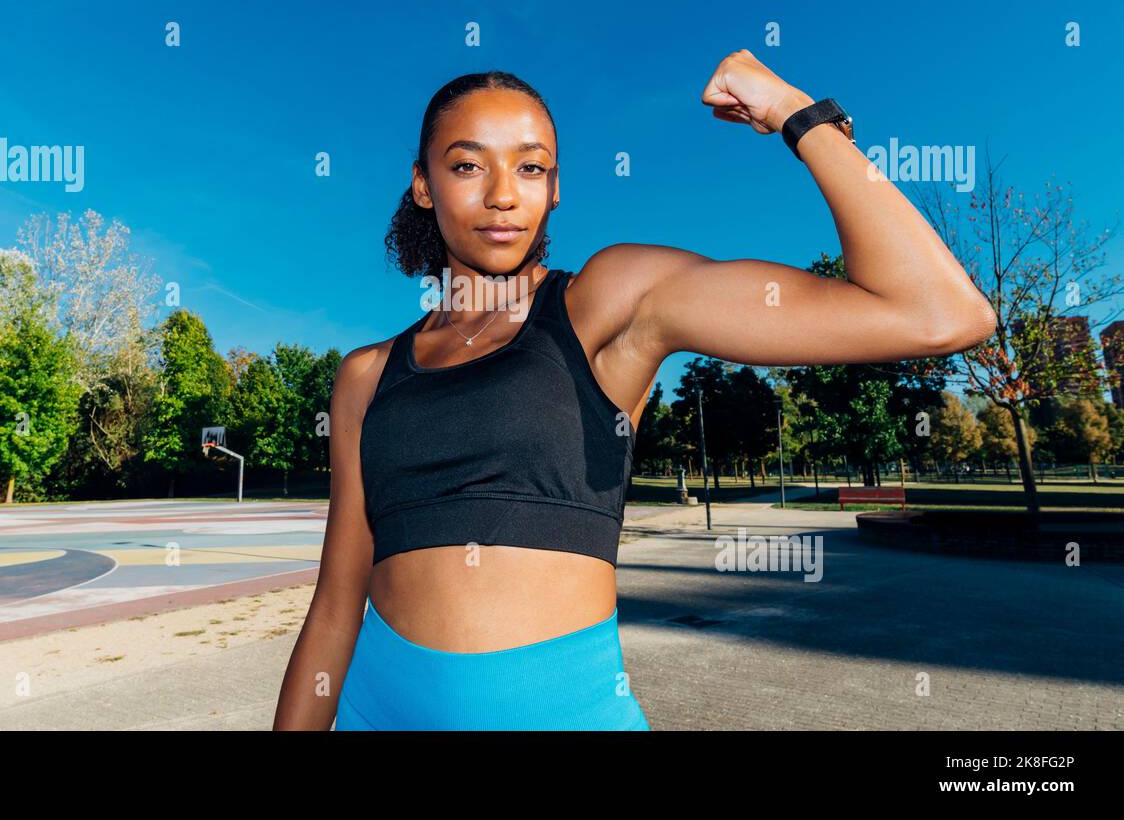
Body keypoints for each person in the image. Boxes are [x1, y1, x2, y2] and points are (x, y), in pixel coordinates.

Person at [272, 51, 997, 730]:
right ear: (425, 183)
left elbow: (940, 314)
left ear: (555, 188)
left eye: (530, 168)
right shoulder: (367, 375)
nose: (501, 195)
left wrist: (797, 114)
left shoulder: (605, 305)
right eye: (467, 165)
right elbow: (336, 607)